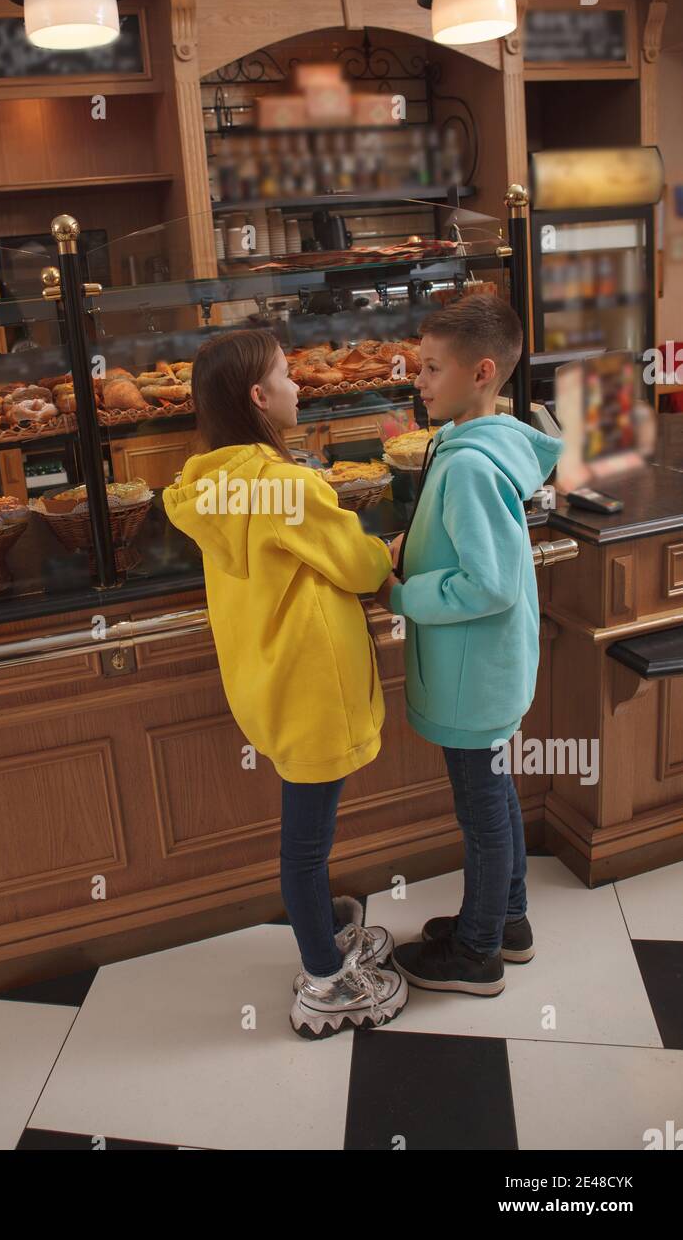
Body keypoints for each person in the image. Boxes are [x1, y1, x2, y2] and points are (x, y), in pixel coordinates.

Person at [163, 328, 408, 1039]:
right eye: (286, 375)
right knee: (306, 846)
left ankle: (327, 934)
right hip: (311, 687)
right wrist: (383, 550)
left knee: (307, 833)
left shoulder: (206, 483)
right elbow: (358, 568)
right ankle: (324, 984)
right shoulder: (285, 487)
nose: (299, 385)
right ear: (258, 397)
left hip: (263, 682)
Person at [381, 293, 563, 996]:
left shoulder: (468, 465)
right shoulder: (477, 444)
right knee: (496, 802)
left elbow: (487, 583)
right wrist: (409, 545)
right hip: (486, 671)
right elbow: (461, 542)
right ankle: (507, 921)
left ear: (482, 371)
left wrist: (403, 595)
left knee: (482, 813)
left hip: (472, 678)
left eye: (431, 368)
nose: (417, 380)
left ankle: (478, 951)